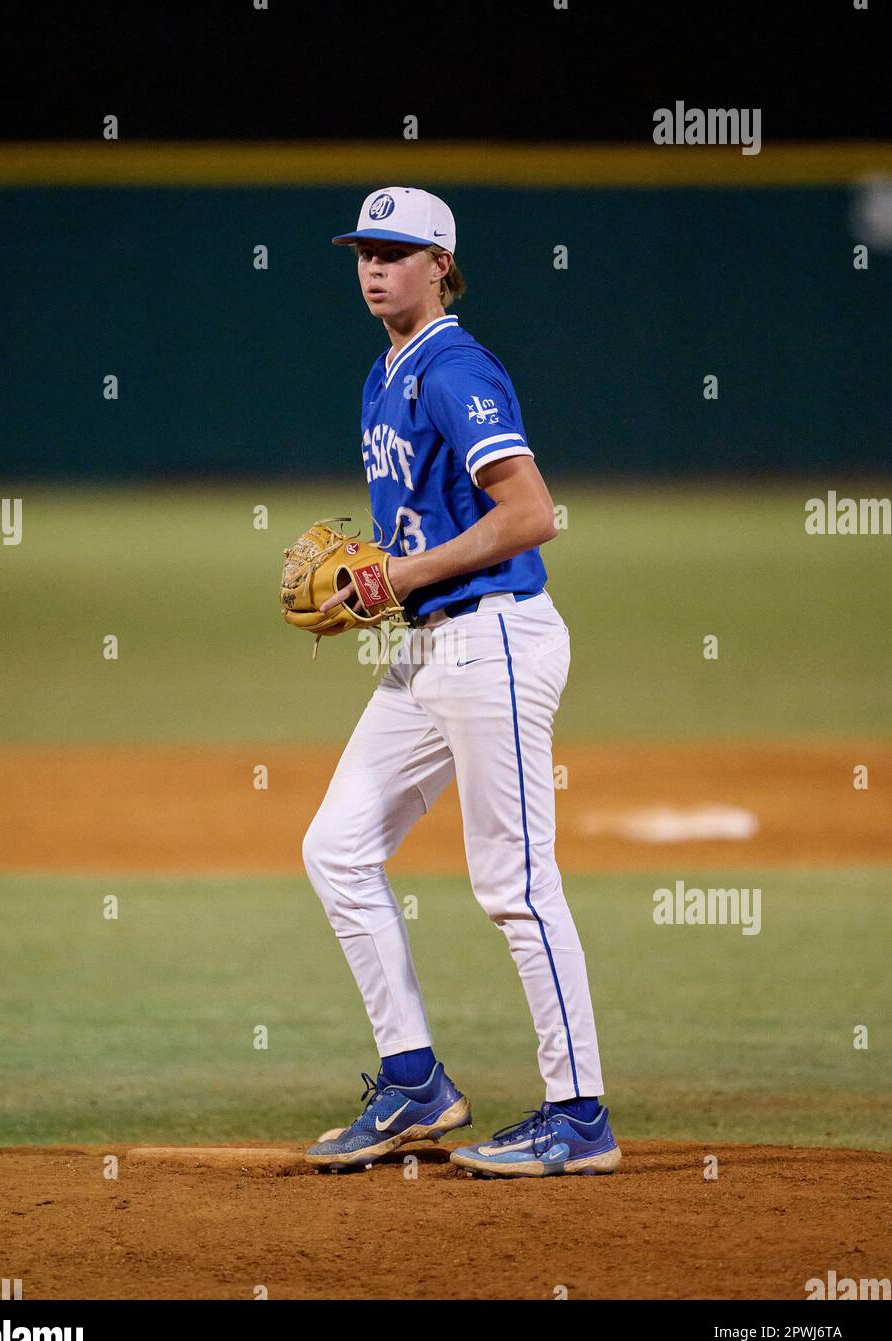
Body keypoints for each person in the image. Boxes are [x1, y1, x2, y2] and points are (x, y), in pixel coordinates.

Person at [302, 187, 620, 1178]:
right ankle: (415, 1082)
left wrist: (399, 574)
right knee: (337, 847)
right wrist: (379, 586)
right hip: (433, 647)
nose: (374, 267)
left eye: (397, 251)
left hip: (499, 642)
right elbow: (423, 542)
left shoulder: (454, 366)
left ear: (442, 264)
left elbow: (531, 514)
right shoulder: (379, 375)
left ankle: (578, 1116)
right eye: (364, 250)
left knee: (515, 885)